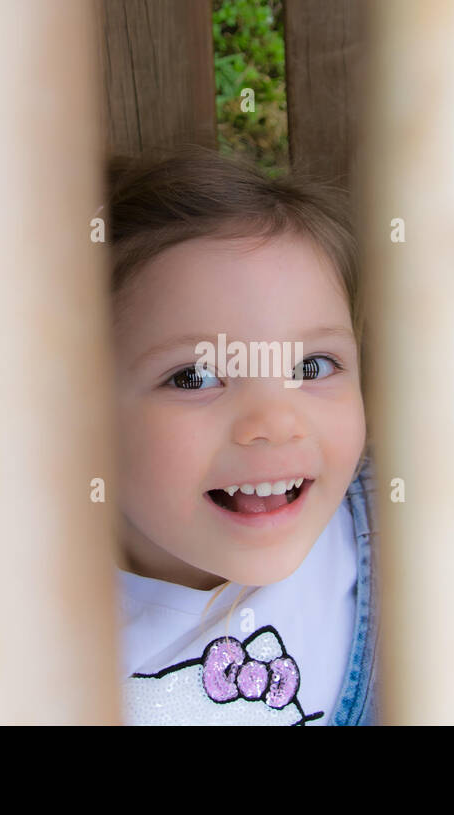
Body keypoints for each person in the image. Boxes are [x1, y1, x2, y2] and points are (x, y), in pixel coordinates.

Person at [107, 146, 379, 725]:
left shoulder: (399, 535)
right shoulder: (13, 638)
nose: (276, 423)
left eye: (313, 367)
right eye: (195, 376)